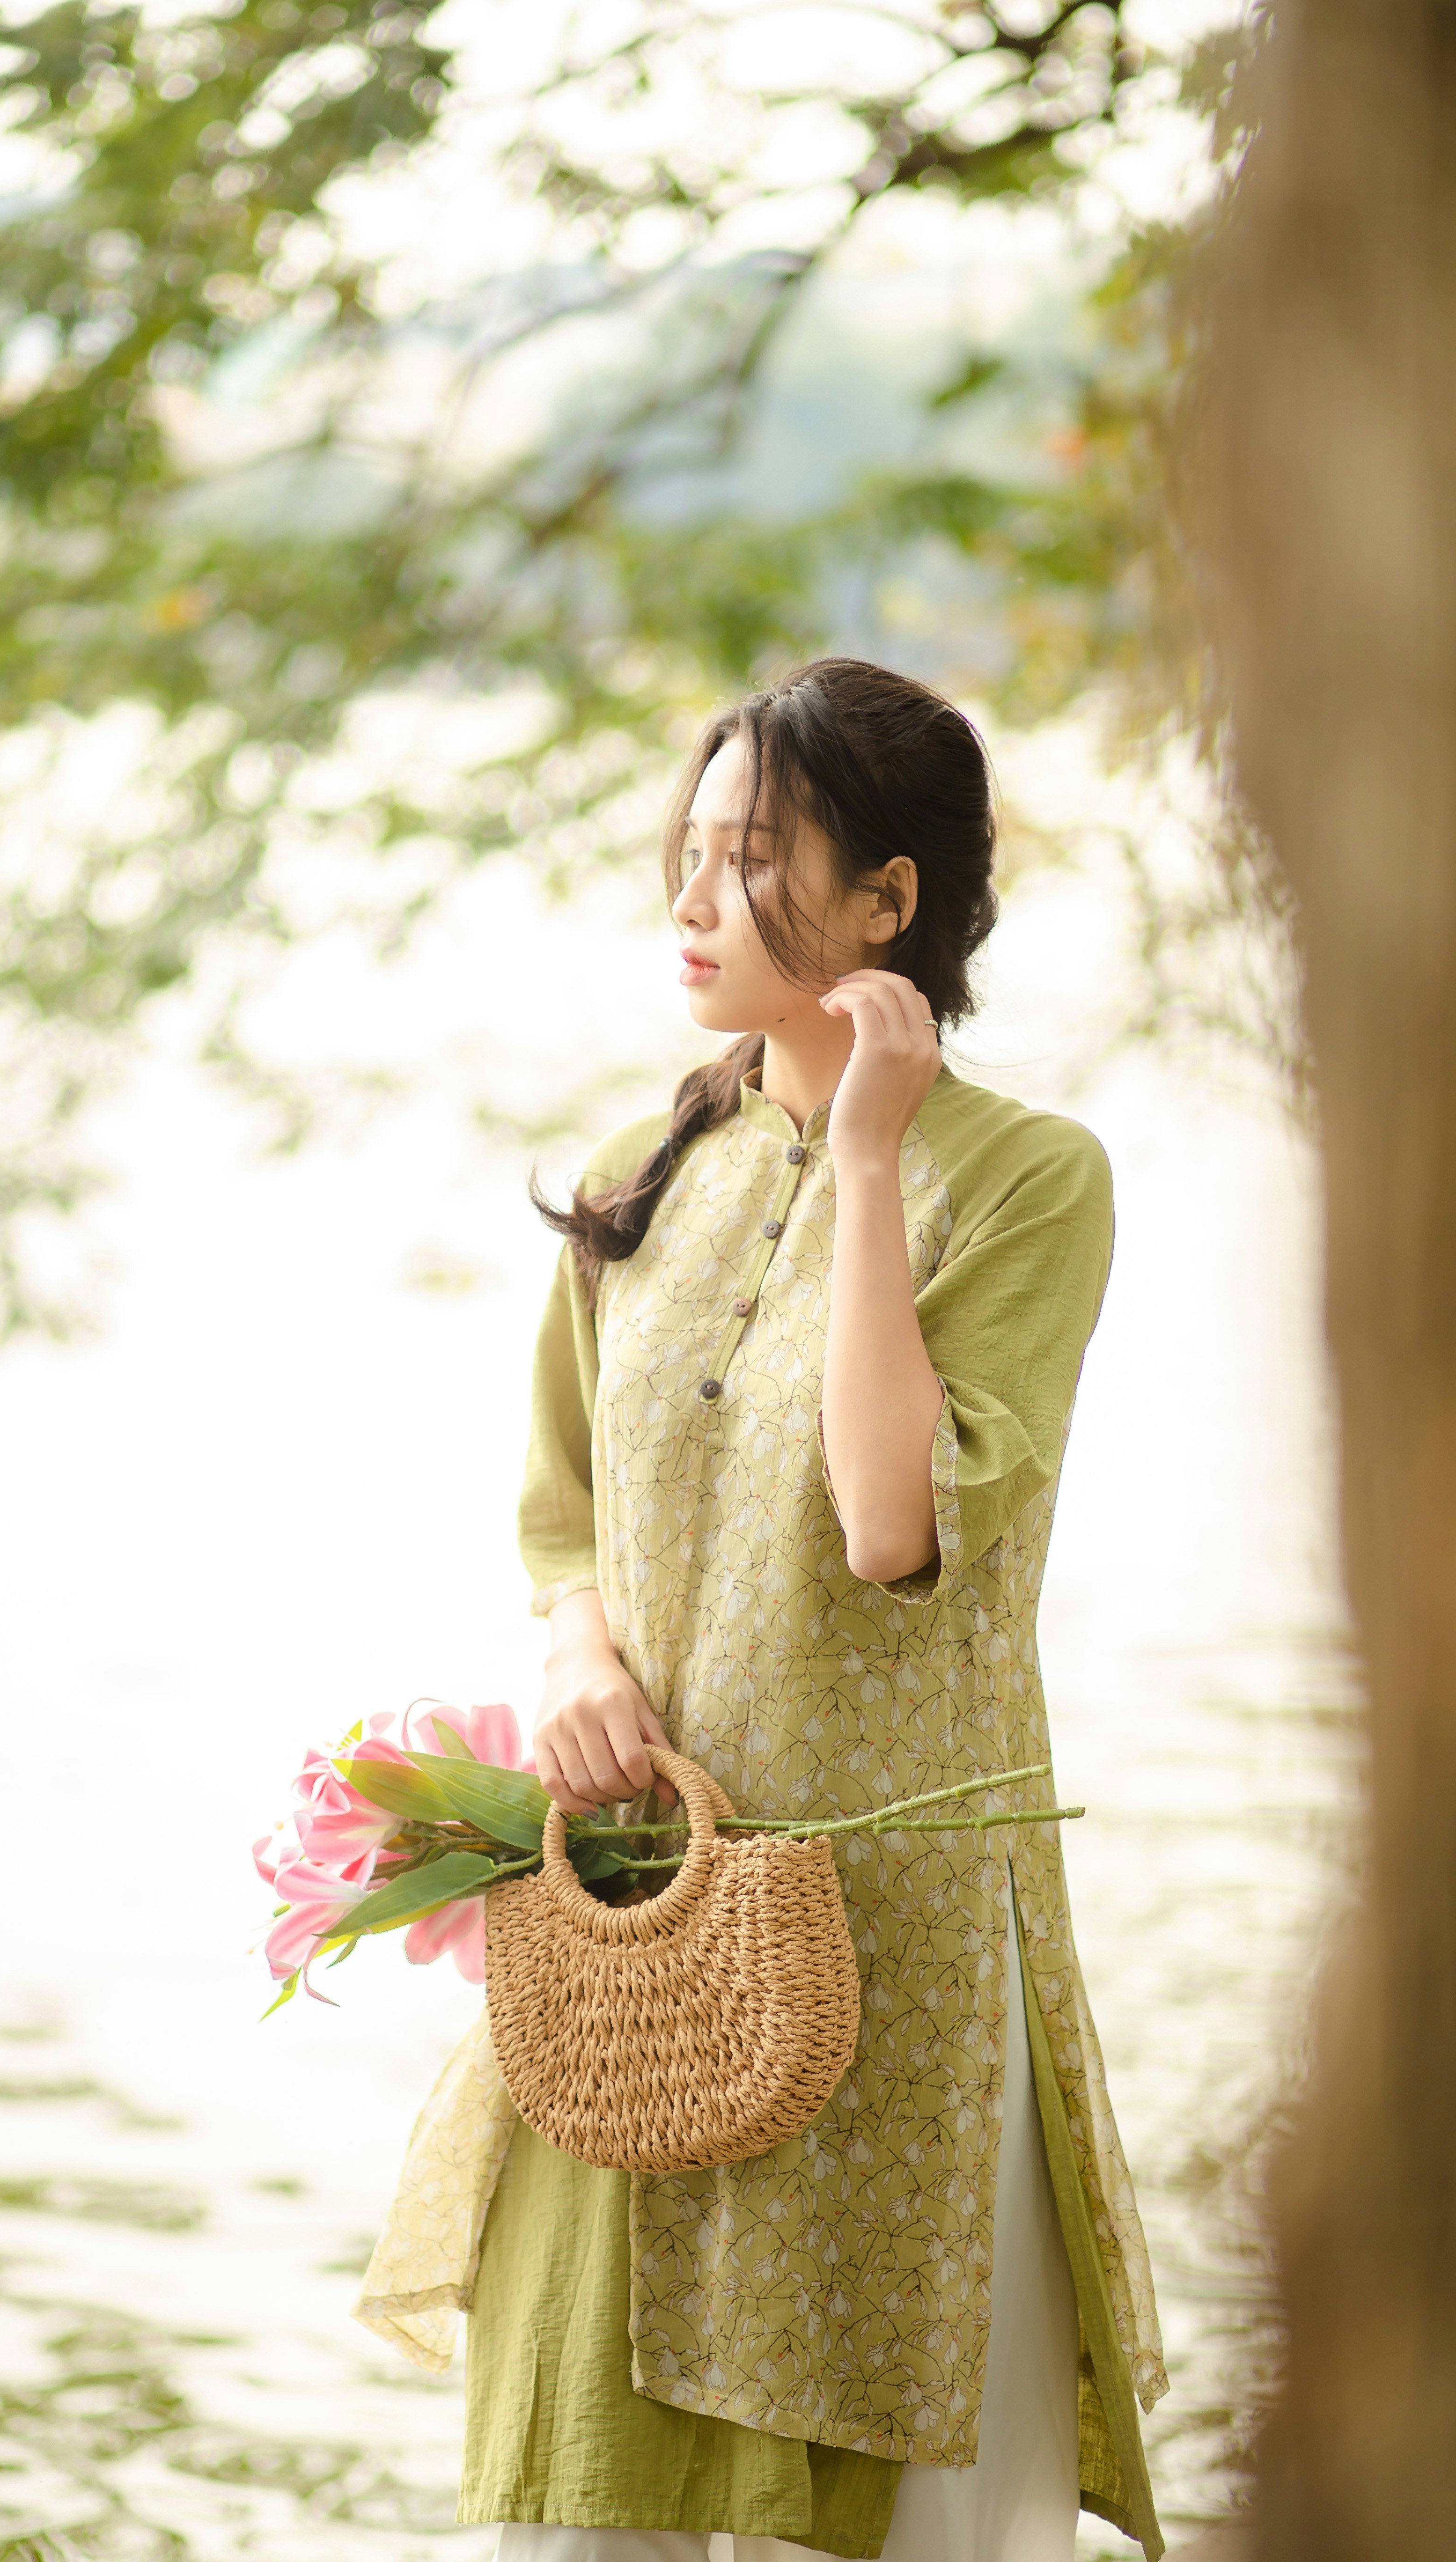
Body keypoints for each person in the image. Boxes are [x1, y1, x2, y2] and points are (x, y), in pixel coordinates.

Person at [355, 658, 1167, 2562]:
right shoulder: (650, 1168)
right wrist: (578, 1661)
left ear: (892, 901)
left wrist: (871, 1158)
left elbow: (893, 1526)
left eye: (757, 859)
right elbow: (567, 1516)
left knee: (871, 2498)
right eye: (693, 853)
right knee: (588, 2499)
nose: (697, 901)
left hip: (889, 1954)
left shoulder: (1029, 1182)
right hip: (639, 1932)